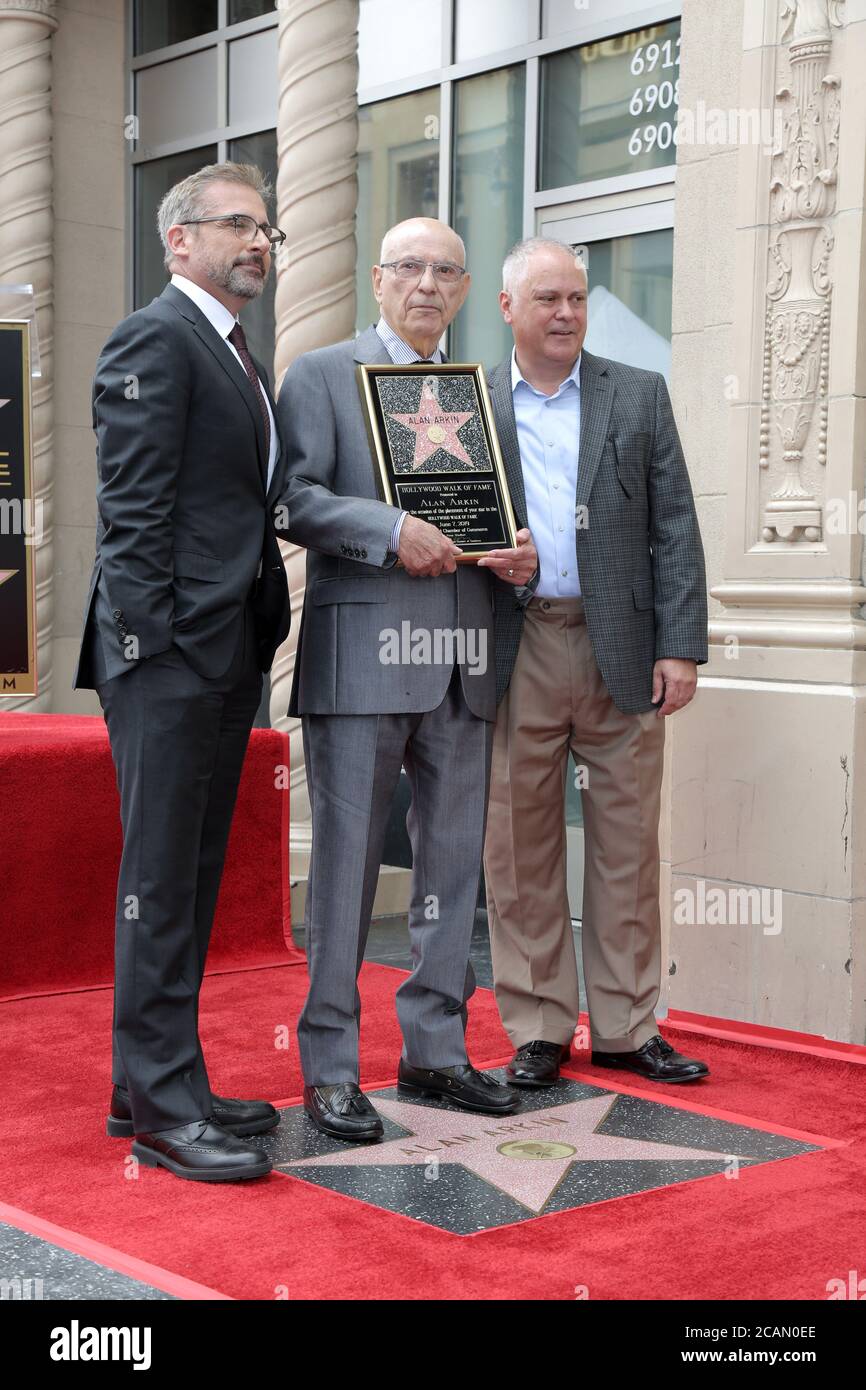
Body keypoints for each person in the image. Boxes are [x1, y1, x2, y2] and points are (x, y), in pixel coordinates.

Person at [274, 217, 536, 1141]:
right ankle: (331, 1068)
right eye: (411, 268)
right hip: (361, 662)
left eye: (446, 272)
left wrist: (519, 552)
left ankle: (434, 1051)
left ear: (465, 292)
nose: (428, 284)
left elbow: (500, 514)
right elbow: (292, 500)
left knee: (451, 873)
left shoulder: (482, 395)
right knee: (345, 872)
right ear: (380, 280)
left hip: (464, 662)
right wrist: (389, 529)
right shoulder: (318, 374)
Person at [73, 162, 291, 1182]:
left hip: (224, 650)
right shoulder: (155, 337)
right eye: (237, 224)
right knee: (159, 884)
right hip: (167, 659)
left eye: (265, 227)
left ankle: (152, 1082)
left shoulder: (236, 350)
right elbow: (132, 511)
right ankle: (164, 1114)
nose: (258, 240)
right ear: (180, 241)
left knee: (189, 878)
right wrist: (151, 649)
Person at [484, 236, 710, 1089]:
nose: (567, 313)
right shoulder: (467, 406)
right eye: (548, 298)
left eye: (577, 298)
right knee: (517, 845)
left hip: (622, 648)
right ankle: (539, 1024)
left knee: (627, 847)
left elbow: (675, 526)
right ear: (508, 307)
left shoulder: (638, 394)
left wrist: (680, 645)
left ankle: (625, 1024)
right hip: (515, 644)